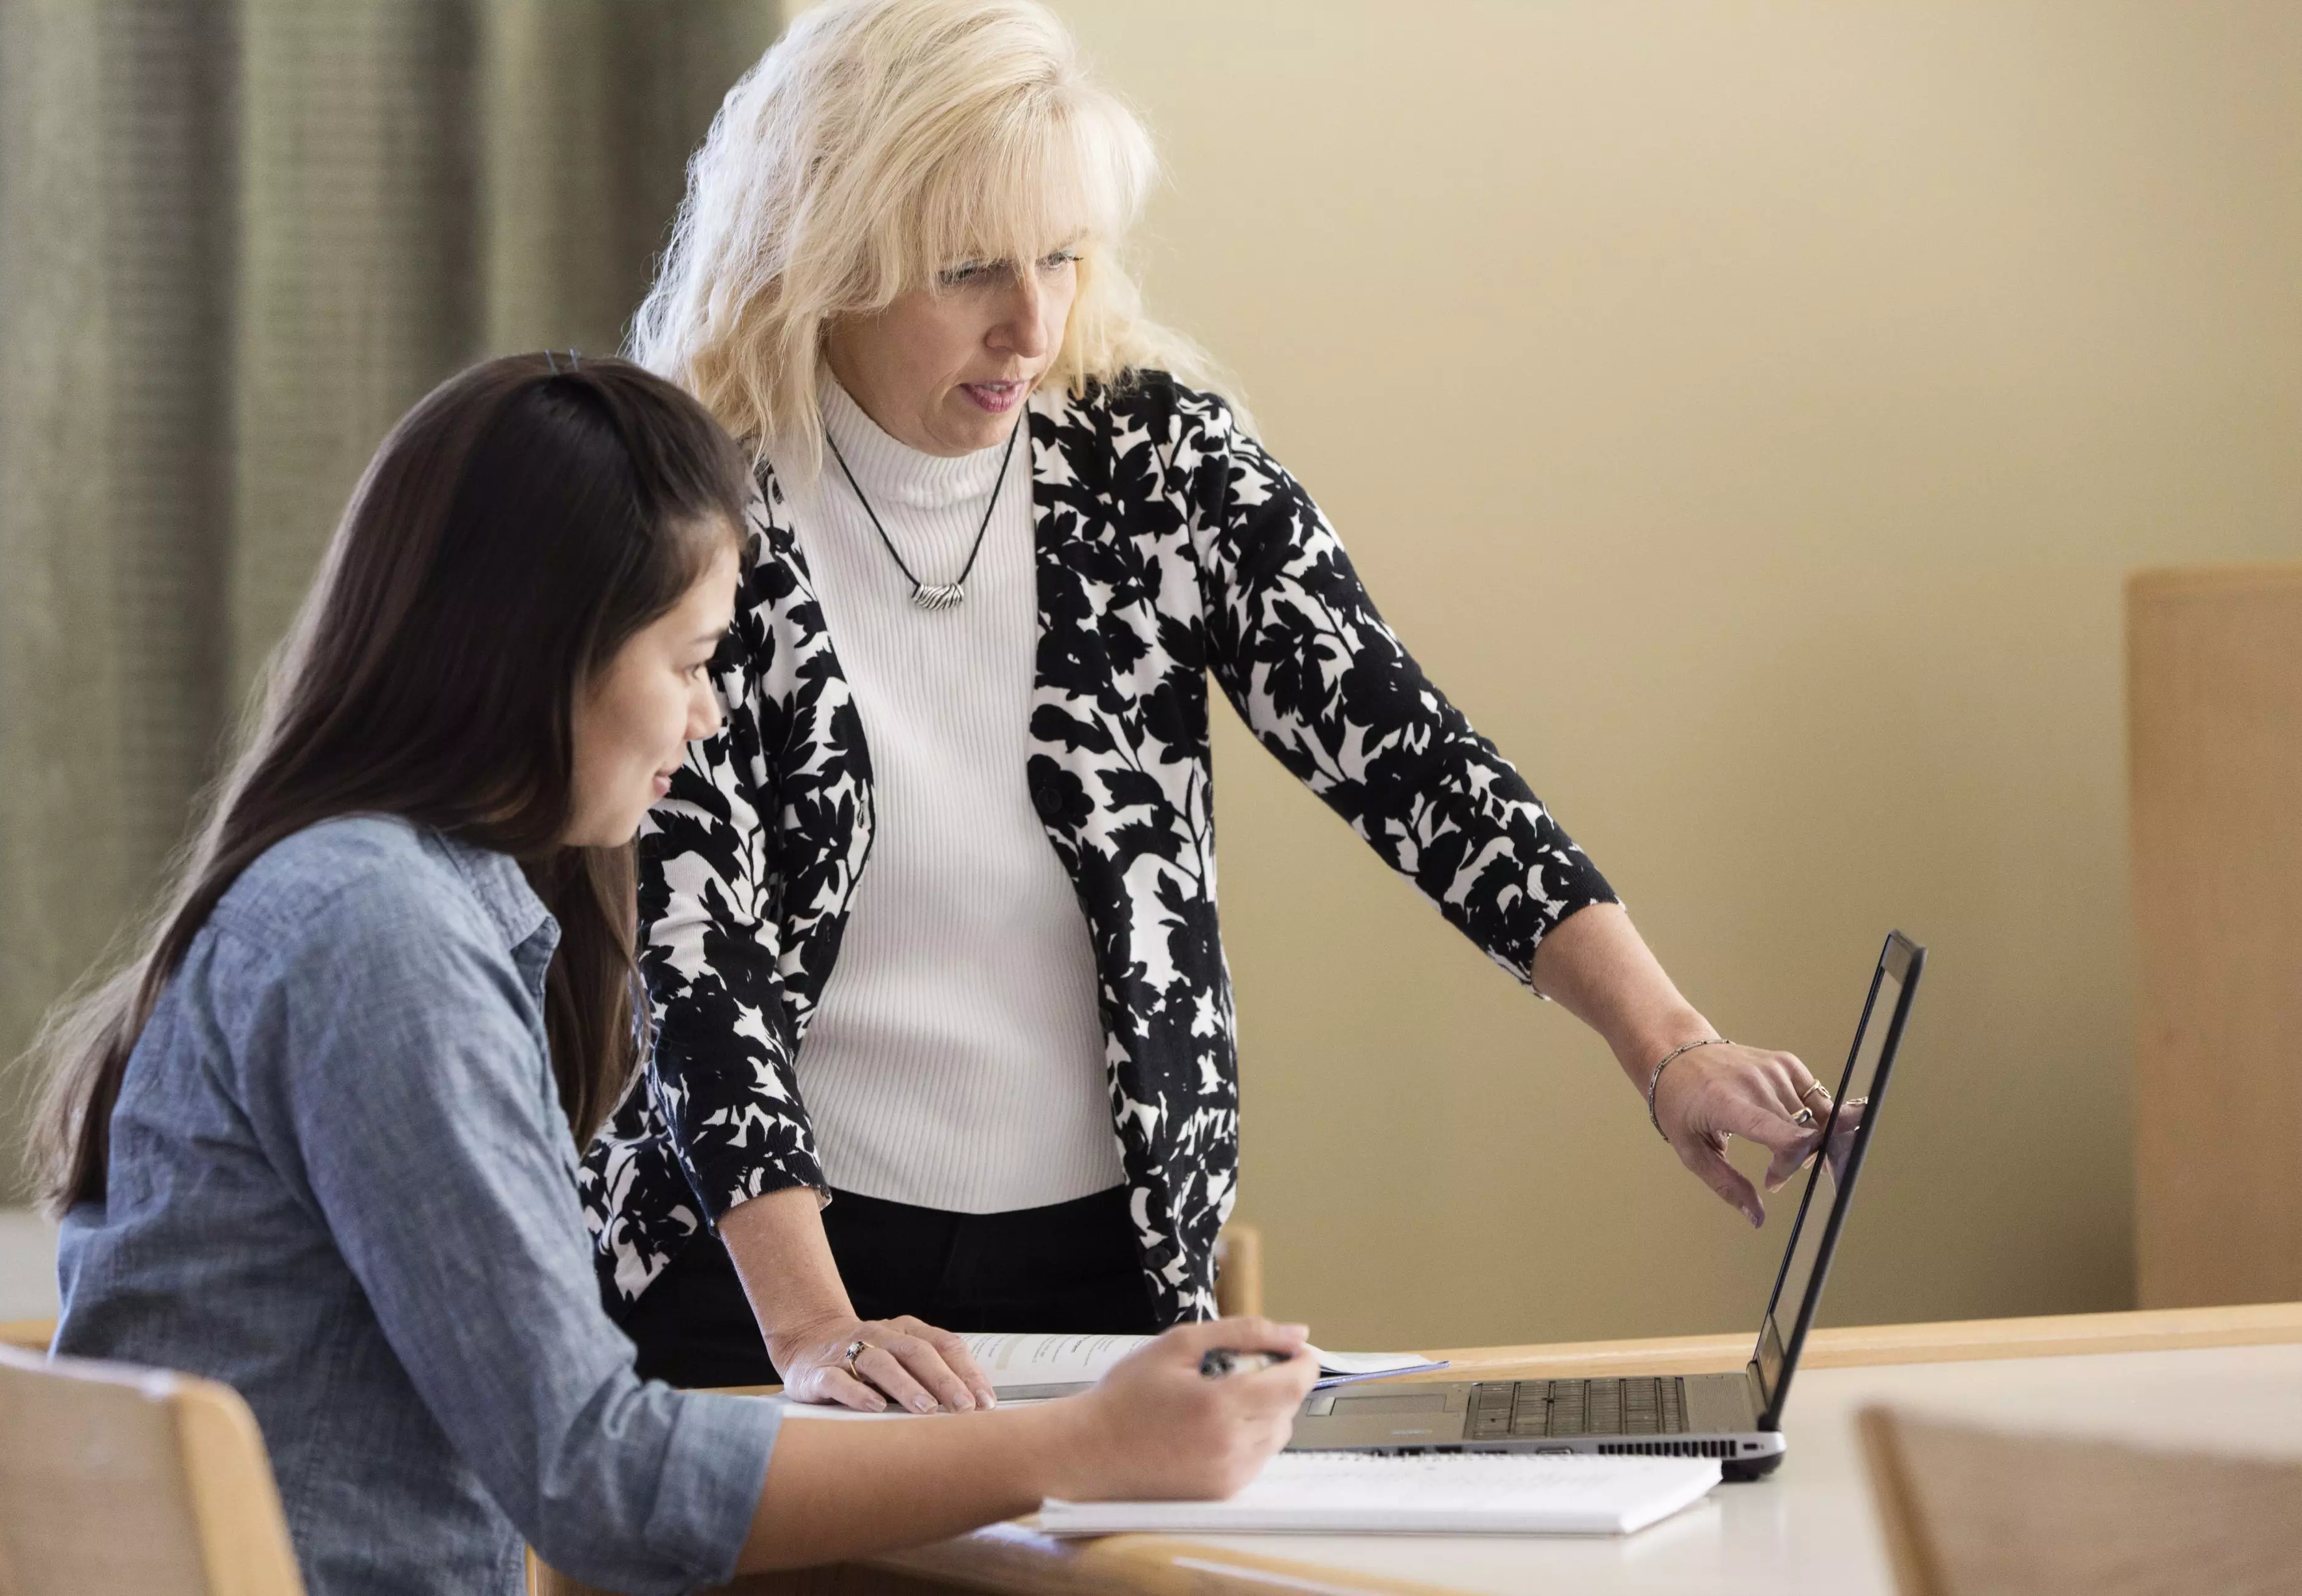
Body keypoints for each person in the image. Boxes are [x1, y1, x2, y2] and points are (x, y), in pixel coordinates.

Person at [583, 0, 1841, 1413]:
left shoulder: (1160, 462)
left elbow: (1413, 759)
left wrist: (1666, 1043)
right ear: (829, 255)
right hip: (754, 1284)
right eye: (969, 270)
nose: (1034, 319)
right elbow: (703, 949)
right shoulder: (697, 504)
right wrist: (816, 1329)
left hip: (1101, 1278)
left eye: (1062, 255)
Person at [27, 353, 1318, 1596]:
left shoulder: (347, 897)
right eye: (692, 662)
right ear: (543, 651)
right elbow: (598, 1478)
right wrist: (1078, 1447)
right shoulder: (380, 941)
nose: (707, 717)